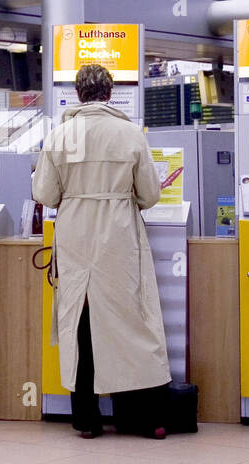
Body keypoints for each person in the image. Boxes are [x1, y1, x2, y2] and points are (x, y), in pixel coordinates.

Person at [32, 63, 172, 439]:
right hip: (119, 237)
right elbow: (151, 195)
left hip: (76, 235)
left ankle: (86, 419)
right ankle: (143, 418)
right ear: (110, 93)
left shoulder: (59, 136)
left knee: (80, 321)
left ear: (78, 94)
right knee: (131, 323)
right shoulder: (130, 134)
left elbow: (44, 194)